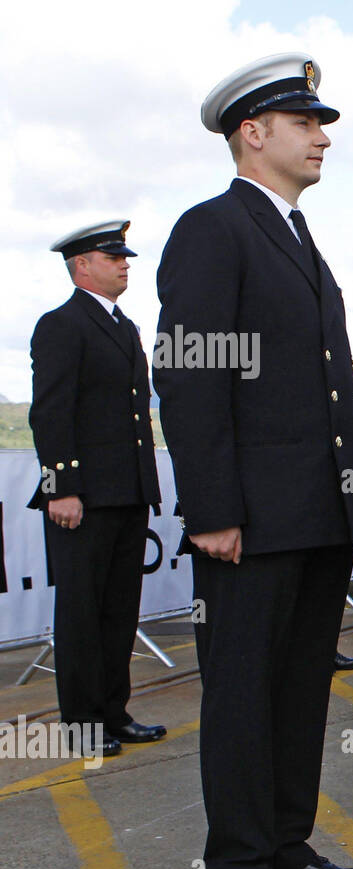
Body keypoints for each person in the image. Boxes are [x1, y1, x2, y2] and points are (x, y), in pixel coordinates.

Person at [154, 53, 353, 869]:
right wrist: (211, 506)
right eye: (306, 123)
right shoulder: (215, 228)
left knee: (298, 691)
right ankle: (241, 867)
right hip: (248, 518)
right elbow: (190, 374)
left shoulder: (294, 236)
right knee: (244, 693)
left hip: (316, 513)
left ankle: (287, 843)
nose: (323, 138)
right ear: (254, 132)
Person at [30, 220, 165, 758]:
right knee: (83, 615)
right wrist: (60, 486)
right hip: (83, 496)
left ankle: (114, 711)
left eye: (124, 256)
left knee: (118, 611)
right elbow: (51, 411)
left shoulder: (124, 324)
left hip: (126, 491)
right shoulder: (61, 324)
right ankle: (83, 724)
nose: (125, 263)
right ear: (81, 265)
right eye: (113, 257)